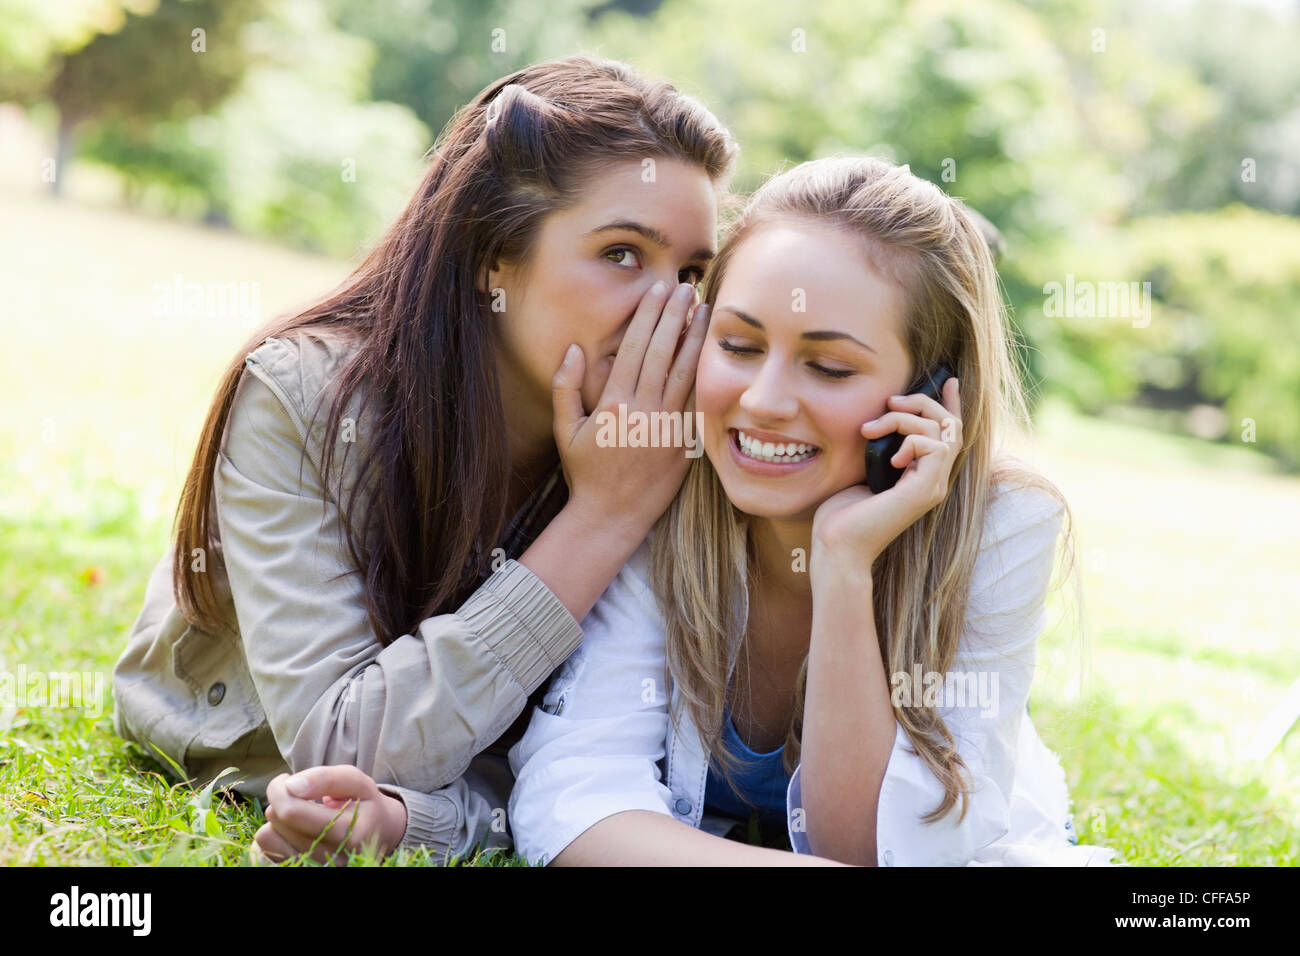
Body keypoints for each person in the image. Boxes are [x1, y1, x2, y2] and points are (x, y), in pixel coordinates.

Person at [110, 54, 737, 863]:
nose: (671, 309)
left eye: (692, 273)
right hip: (225, 729)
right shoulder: (304, 397)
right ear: (493, 257)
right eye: (622, 254)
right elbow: (346, 750)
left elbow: (580, 773)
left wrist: (418, 826)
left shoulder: (666, 438)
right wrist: (602, 519)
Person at [505, 156, 1121, 866]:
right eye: (737, 345)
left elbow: (888, 848)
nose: (763, 400)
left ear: (931, 391)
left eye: (828, 368)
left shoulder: (999, 528)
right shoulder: (663, 478)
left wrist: (844, 564)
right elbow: (574, 803)